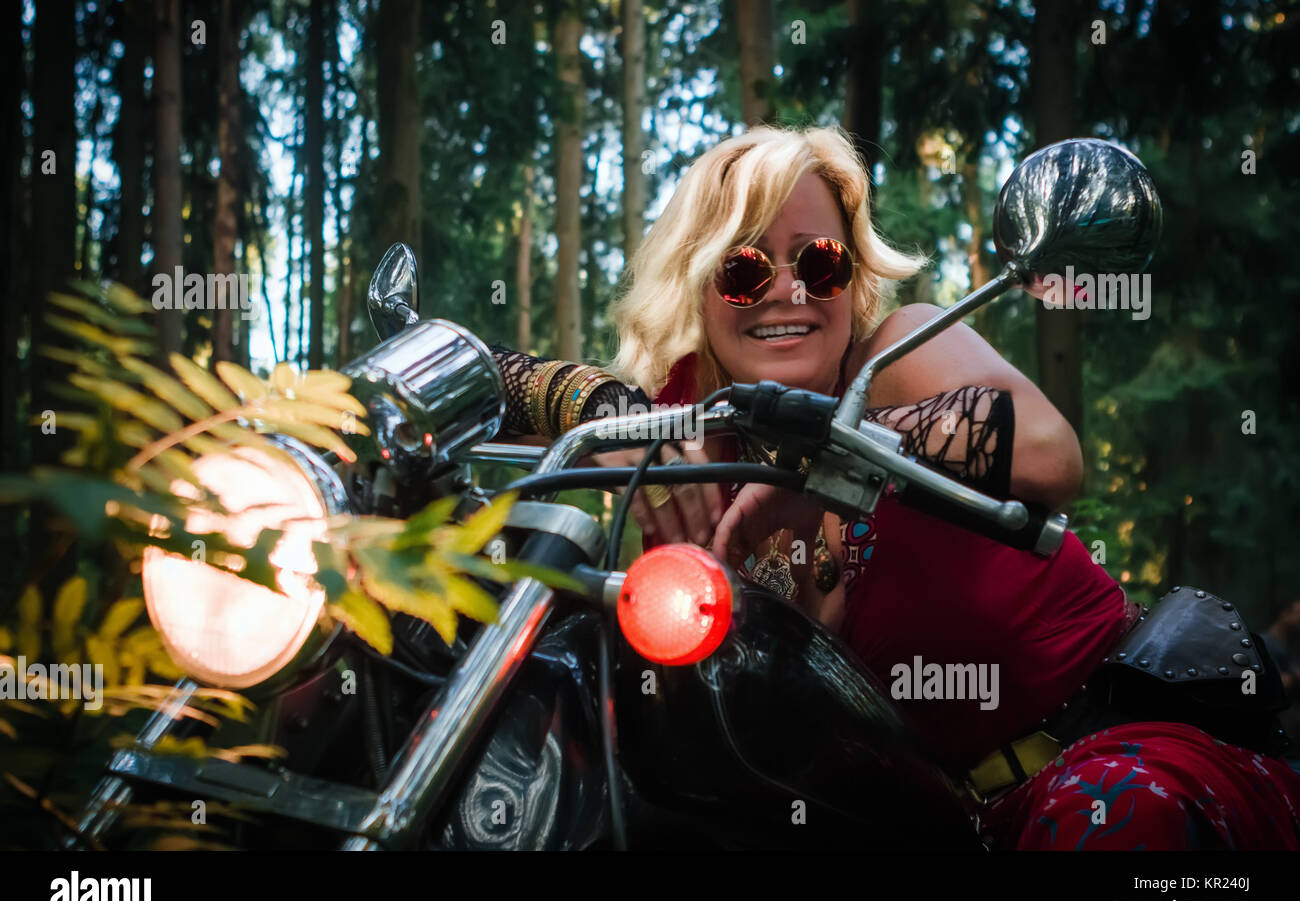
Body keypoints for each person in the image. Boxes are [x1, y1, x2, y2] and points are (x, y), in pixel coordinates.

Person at [491, 125, 1300, 849]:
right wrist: (592, 402)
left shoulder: (899, 356)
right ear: (698, 288)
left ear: (852, 277)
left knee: (1107, 817)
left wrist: (826, 459)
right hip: (923, 823)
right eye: (743, 268)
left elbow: (1052, 453)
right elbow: (473, 390)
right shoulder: (689, 434)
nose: (787, 289)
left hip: (1113, 759)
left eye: (819, 262)